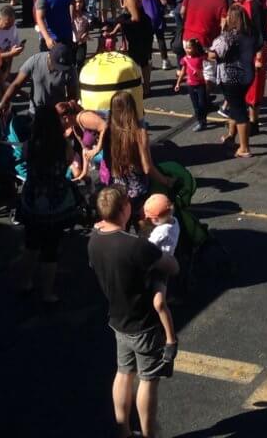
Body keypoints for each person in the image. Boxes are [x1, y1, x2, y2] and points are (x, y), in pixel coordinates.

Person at [87, 185, 179, 438]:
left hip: (117, 318)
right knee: (148, 379)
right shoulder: (135, 246)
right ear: (123, 209)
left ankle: (123, 430)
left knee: (123, 373)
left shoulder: (94, 239)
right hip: (143, 323)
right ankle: (149, 433)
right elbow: (171, 266)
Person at [14, 100, 74, 304]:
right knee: (51, 249)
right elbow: (69, 160)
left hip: (33, 196)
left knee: (30, 244)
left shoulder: (30, 144)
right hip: (55, 198)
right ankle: (47, 292)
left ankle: (24, 281)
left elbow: (22, 159)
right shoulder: (62, 144)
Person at [141, 192, 181, 372]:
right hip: (165, 263)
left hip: (158, 268)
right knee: (157, 302)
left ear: (156, 218)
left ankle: (170, 339)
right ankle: (168, 336)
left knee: (159, 302)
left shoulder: (160, 231)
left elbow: (146, 249)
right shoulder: (174, 221)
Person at [210, 5, 257, 158]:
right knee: (234, 104)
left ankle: (244, 147)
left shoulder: (227, 37)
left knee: (238, 110)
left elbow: (214, 54)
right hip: (247, 74)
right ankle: (231, 136)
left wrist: (222, 30)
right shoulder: (250, 34)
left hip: (231, 78)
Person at [179, 39, 210, 129]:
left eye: (189, 48)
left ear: (195, 49)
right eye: (186, 48)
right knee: (195, 105)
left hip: (201, 84)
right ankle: (200, 121)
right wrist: (178, 83)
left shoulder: (201, 58)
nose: (187, 50)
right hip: (190, 84)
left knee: (202, 104)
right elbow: (183, 71)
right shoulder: (185, 59)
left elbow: (207, 69)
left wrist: (200, 72)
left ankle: (203, 119)